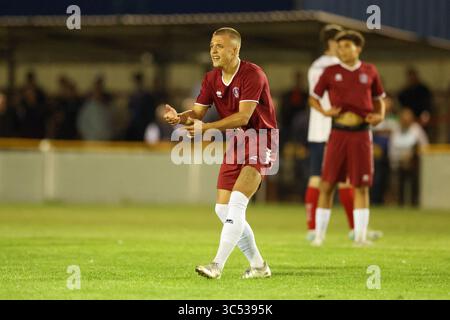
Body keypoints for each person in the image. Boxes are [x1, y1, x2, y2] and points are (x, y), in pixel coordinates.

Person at [163, 27, 278, 279]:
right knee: (222, 210)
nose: (213, 50)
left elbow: (244, 116)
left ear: (234, 49)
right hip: (237, 142)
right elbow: (198, 114)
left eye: (219, 46)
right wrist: (179, 118)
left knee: (237, 203)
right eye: (211, 45)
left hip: (261, 139)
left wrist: (208, 128)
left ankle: (217, 265)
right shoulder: (211, 78)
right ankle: (259, 266)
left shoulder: (252, 74)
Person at [309, 30, 386, 246]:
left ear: (358, 48)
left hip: (362, 134)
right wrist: (325, 112)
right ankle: (319, 237)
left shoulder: (369, 71)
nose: (342, 51)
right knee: (327, 184)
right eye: (339, 46)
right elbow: (313, 97)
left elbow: (380, 98)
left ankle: (360, 238)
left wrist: (379, 115)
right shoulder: (330, 71)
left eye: (346, 46)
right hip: (338, 132)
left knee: (360, 186)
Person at [305, 24, 356, 242]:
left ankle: (312, 228)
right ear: (332, 43)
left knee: (316, 178)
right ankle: (355, 228)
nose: (346, 49)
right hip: (335, 130)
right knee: (344, 180)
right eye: (343, 43)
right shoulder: (338, 67)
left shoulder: (315, 66)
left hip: (317, 130)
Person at [389, 107, 428, 206]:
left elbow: (425, 146)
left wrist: (413, 154)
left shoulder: (417, 129)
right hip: (399, 163)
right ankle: (400, 203)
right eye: (404, 117)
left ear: (412, 118)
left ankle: (415, 203)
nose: (406, 120)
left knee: (415, 184)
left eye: (408, 117)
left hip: (413, 163)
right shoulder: (396, 129)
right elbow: (392, 148)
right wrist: (396, 160)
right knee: (399, 185)